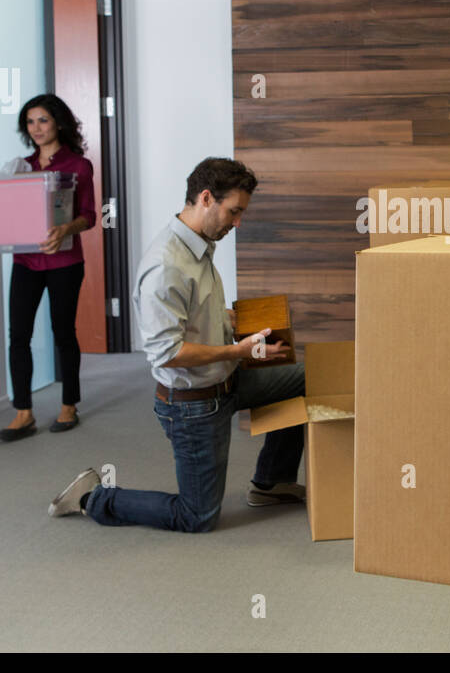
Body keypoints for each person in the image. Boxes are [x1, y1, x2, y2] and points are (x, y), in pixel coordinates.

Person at [48, 157, 307, 531]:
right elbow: (169, 353)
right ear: (206, 198)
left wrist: (233, 324)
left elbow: (194, 316)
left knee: (305, 377)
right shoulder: (166, 266)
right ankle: (94, 497)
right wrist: (240, 350)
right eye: (234, 212)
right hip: (194, 405)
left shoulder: (199, 245)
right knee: (196, 517)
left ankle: (272, 482)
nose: (238, 223)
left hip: (228, 382)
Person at [0, 94, 97, 442]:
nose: (36, 128)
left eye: (43, 120)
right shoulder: (19, 167)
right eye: (30, 122)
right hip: (26, 261)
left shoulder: (78, 166)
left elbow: (89, 217)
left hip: (64, 261)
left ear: (58, 122)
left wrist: (64, 230)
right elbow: (5, 214)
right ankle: (23, 413)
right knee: (18, 336)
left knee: (63, 332)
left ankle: (69, 405)